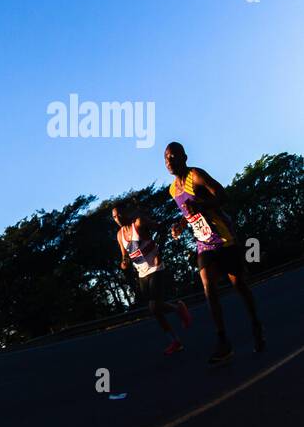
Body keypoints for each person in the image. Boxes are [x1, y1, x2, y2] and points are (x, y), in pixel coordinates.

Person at [164, 141, 264, 363]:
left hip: (224, 238)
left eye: (173, 156)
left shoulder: (196, 176)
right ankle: (223, 341)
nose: (169, 161)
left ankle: (255, 323)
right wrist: (181, 223)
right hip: (204, 244)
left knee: (238, 284)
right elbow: (188, 212)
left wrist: (201, 205)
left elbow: (223, 195)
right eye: (166, 158)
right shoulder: (173, 189)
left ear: (184, 157)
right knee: (208, 287)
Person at [112, 200, 191, 354]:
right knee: (154, 309)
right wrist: (124, 263)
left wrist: (157, 250)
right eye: (114, 217)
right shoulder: (119, 235)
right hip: (142, 273)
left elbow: (161, 228)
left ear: (127, 212)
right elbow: (124, 256)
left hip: (156, 267)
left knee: (154, 305)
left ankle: (178, 315)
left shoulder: (139, 223)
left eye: (119, 214)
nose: (118, 218)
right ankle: (175, 337)